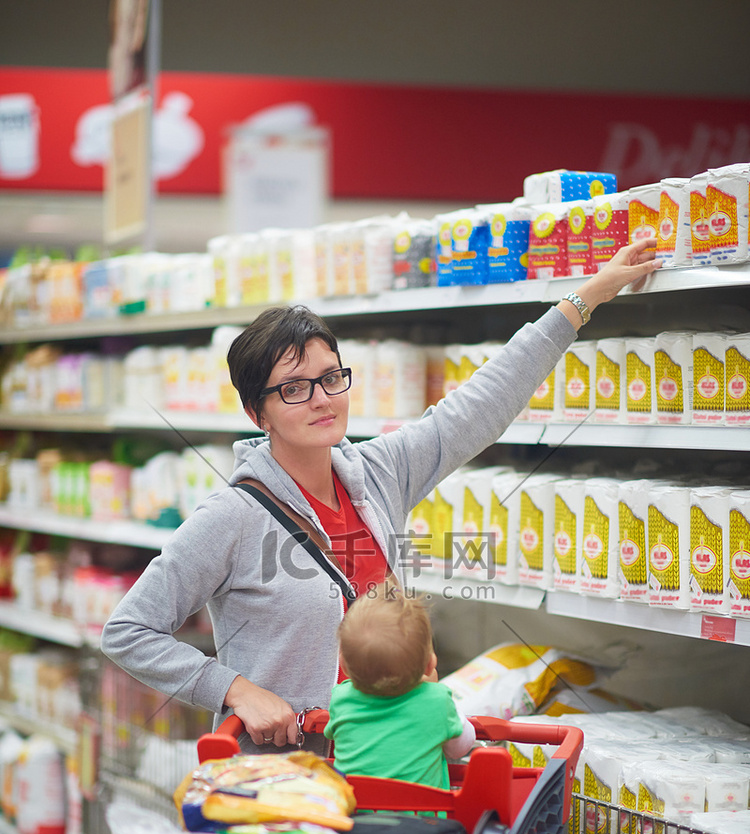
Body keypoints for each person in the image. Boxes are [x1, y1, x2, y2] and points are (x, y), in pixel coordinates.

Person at [101, 238, 661, 750]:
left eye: (330, 378)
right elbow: (128, 631)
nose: (321, 399)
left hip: (389, 758)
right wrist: (235, 690)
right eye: (293, 388)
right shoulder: (232, 516)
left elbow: (480, 405)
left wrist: (585, 299)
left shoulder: (378, 471)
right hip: (288, 774)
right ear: (257, 412)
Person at [325, 586, 476, 787]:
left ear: (343, 663)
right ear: (430, 664)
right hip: (424, 816)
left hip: (358, 814)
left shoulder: (341, 698)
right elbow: (461, 747)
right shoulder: (437, 700)